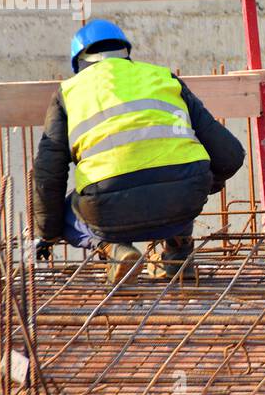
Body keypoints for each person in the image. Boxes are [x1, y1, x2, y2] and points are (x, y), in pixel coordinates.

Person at [33, 19, 244, 281]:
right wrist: (207, 182)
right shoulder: (162, 77)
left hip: (105, 204)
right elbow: (230, 155)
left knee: (63, 210)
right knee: (182, 175)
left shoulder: (68, 92)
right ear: (125, 52)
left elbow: (47, 176)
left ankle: (114, 250)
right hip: (182, 200)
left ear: (78, 63)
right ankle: (178, 252)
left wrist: (48, 234)